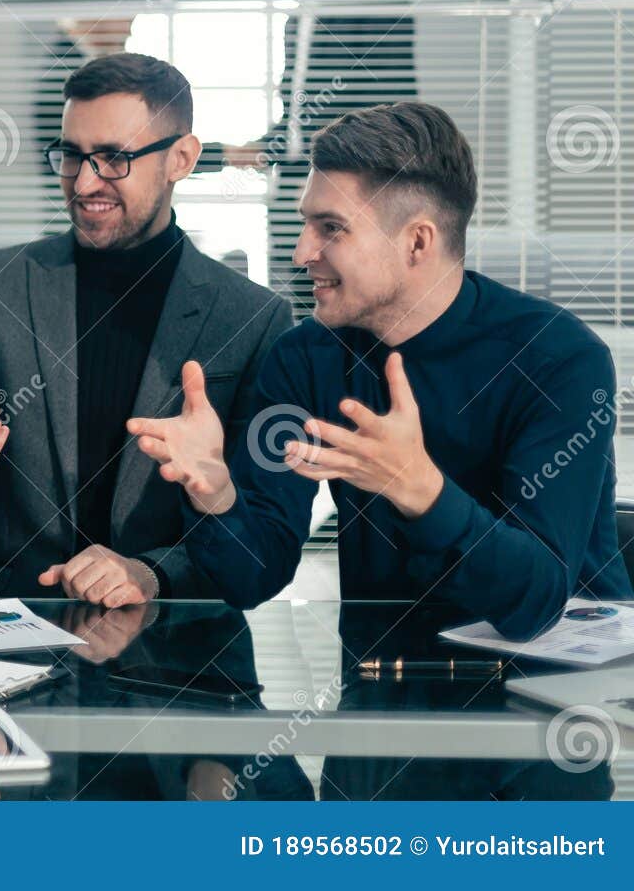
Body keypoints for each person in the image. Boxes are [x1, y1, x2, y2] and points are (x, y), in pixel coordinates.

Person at [130, 102, 633, 639]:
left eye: (330, 228)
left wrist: (419, 489)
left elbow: (535, 603)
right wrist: (216, 495)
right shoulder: (305, 357)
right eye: (305, 223)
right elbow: (255, 577)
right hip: (382, 685)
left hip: (557, 687)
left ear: (417, 241)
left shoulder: (560, 360)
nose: (302, 252)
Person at [0, 53, 291, 601]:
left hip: (176, 657)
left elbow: (262, 555)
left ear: (180, 159)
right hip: (0, 638)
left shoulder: (250, 317)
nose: (84, 183)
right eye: (71, 156)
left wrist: (152, 573)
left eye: (113, 159)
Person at [198, 0, 417, 313]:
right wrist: (246, 151)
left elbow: (388, 106)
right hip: (294, 201)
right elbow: (297, 121)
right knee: (306, 320)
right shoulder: (297, 18)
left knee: (358, 317)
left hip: (349, 195)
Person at [31, 0, 141, 149]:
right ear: (103, 11)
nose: (129, 32)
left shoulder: (79, 59)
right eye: (127, 21)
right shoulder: (65, 65)